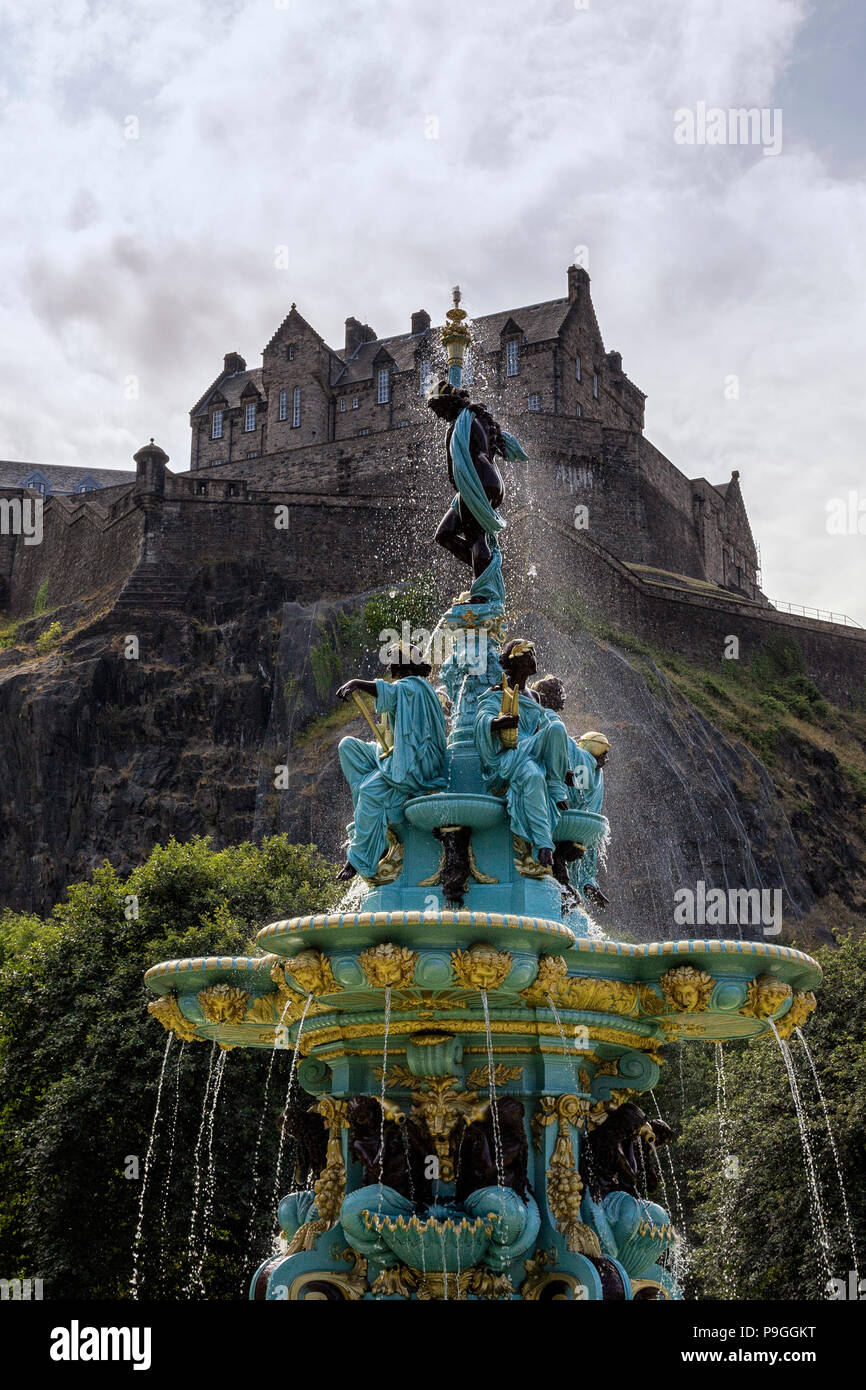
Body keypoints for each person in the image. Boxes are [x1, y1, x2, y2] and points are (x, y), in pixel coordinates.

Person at [335, 642, 447, 881]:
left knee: (369, 790)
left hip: (415, 766)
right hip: (399, 755)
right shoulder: (410, 687)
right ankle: (371, 820)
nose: (390, 664)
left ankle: (361, 858)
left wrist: (357, 683)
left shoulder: (416, 687)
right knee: (349, 747)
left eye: (394, 659)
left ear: (404, 663)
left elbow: (389, 691)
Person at [473, 639, 573, 870]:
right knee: (533, 776)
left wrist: (562, 766)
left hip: (531, 747)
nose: (536, 659)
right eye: (531, 655)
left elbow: (546, 733)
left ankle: (557, 786)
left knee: (557, 728)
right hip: (511, 755)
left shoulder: (534, 697)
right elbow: (481, 720)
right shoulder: (498, 690)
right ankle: (544, 844)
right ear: (518, 660)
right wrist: (499, 722)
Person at [427, 381, 527, 606]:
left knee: (475, 538)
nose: (439, 416)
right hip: (490, 481)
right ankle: (484, 572)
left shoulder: (457, 426)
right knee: (444, 534)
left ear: (448, 403)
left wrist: (461, 483)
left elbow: (453, 471)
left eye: (439, 409)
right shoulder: (477, 417)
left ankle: (481, 593)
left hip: (476, 483)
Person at [530, 676, 611, 908]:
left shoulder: (550, 727)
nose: (605, 759)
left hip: (550, 804)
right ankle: (574, 885)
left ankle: (572, 886)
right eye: (560, 693)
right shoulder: (553, 726)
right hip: (554, 803)